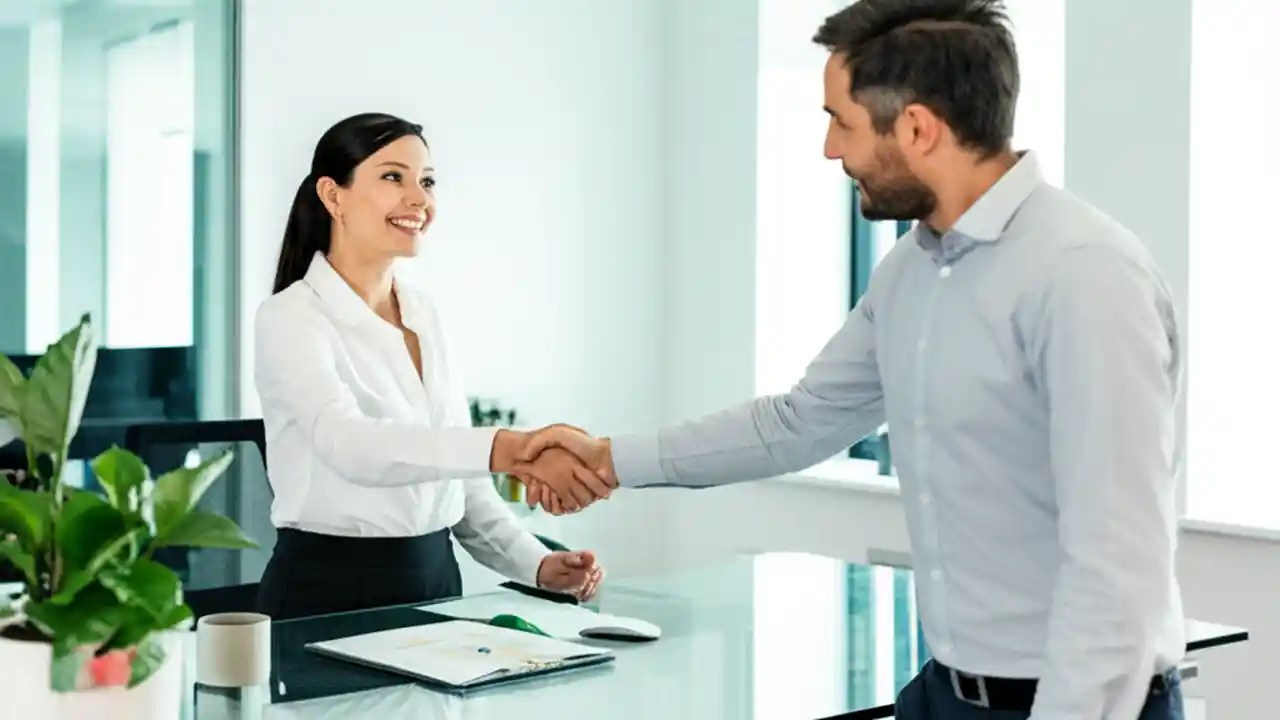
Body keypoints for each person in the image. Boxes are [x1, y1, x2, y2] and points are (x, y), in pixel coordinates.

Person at [516, 1, 1186, 718]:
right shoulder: (912, 272)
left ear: (919, 128)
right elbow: (798, 422)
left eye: (842, 121)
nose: (831, 151)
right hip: (947, 691)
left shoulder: (1083, 274)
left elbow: (1117, 568)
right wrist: (609, 457)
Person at [253, 113, 610, 619]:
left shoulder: (425, 314)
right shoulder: (289, 317)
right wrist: (508, 449)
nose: (420, 199)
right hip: (327, 593)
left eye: (427, 181)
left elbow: (461, 484)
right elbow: (350, 445)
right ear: (333, 196)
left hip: (436, 585)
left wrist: (537, 564)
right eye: (393, 177)